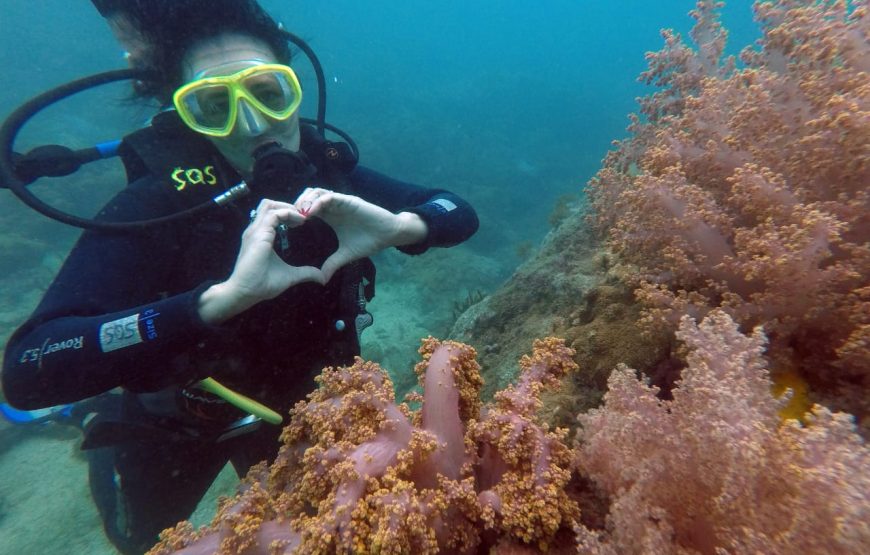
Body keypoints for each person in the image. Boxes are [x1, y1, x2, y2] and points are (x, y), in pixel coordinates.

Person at [0, 1, 478, 553]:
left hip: (304, 405)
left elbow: (456, 210)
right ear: (184, 115)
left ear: (296, 89)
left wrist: (405, 225)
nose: (252, 124)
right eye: (213, 105)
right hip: (175, 427)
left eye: (269, 93)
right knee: (142, 540)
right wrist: (212, 304)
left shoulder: (328, 173)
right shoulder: (160, 201)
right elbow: (29, 366)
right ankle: (93, 423)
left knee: (329, 528)